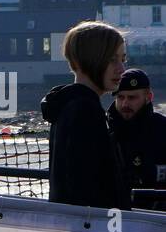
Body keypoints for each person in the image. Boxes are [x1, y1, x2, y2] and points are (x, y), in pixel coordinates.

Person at [41, 21, 131, 210]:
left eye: (123, 59)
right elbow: (88, 187)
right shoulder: (84, 111)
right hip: (95, 230)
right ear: (90, 60)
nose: (122, 69)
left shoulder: (68, 105)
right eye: (112, 59)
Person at [106, 68, 166, 209]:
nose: (125, 104)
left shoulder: (162, 131)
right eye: (120, 97)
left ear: (148, 97)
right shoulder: (107, 134)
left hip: (156, 218)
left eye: (132, 98)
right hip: (115, 216)